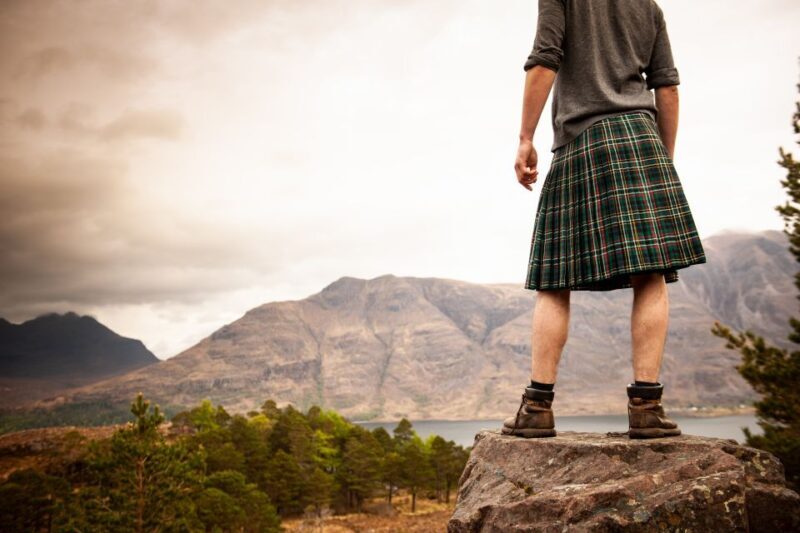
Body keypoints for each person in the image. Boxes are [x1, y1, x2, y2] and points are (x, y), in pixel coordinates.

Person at [504, 0, 707, 439]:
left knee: (553, 280)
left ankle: (537, 407)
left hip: (580, 140)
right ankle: (647, 408)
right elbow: (666, 88)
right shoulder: (647, 6)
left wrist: (525, 138)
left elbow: (544, 60)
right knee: (651, 275)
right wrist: (662, 160)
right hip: (640, 136)